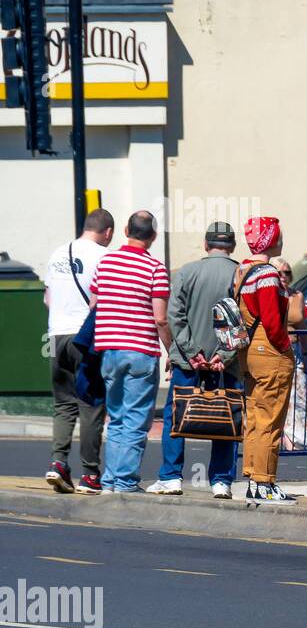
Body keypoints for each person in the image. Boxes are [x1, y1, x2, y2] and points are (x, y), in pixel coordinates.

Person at [146, 222, 242, 499]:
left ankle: (171, 477)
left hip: (188, 362)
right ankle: (221, 481)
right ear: (232, 247)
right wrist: (222, 355)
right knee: (226, 417)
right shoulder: (240, 274)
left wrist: (192, 352)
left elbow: (174, 317)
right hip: (226, 363)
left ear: (205, 244)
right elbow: (241, 322)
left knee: (176, 416)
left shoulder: (187, 272)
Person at [89, 210, 172, 494]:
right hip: (140, 350)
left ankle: (111, 480)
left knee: (117, 418)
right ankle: (125, 481)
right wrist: (171, 350)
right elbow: (160, 318)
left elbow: (94, 304)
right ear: (154, 236)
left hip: (109, 349)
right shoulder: (155, 269)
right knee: (137, 420)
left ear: (125, 230)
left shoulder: (106, 262)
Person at [44, 208, 113, 494]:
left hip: (56, 335)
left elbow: (48, 299)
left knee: (63, 404)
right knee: (91, 405)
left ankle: (58, 463)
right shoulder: (104, 257)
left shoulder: (59, 253)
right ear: (107, 232)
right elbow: (103, 301)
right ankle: (90, 475)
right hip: (85, 337)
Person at [237, 216, 297, 505]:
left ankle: (252, 475)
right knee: (270, 420)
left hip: (249, 351)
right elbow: (273, 323)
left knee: (254, 417)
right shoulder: (268, 275)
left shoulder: (243, 270)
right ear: (270, 239)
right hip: (269, 350)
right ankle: (265, 480)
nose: (282, 239)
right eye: (278, 234)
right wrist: (287, 349)